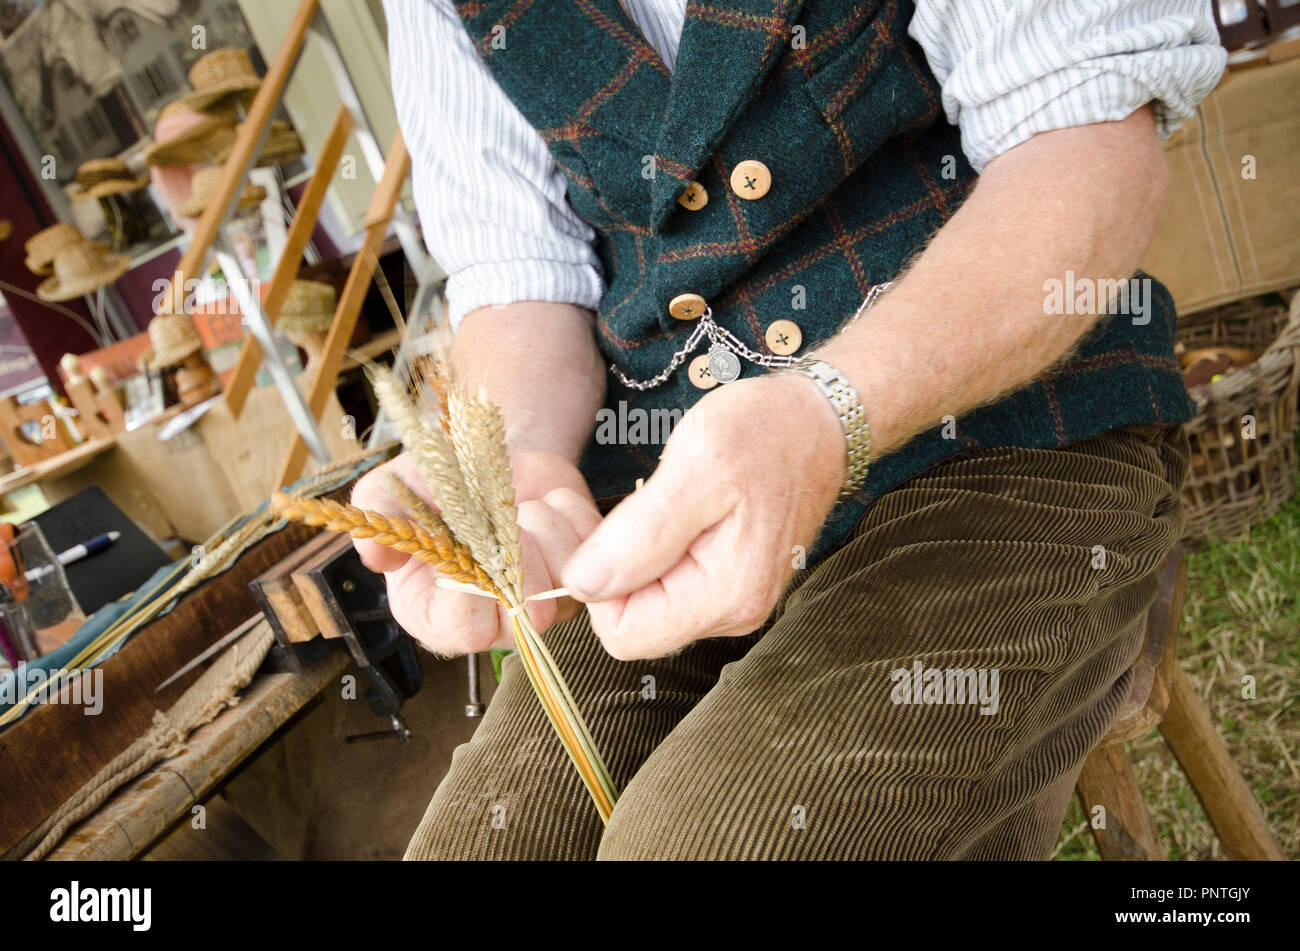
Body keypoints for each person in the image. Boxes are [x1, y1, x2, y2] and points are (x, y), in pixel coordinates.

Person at [355, 0, 1226, 860]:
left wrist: (822, 416)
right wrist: (518, 457)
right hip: (670, 509)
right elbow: (523, 284)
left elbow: (1081, 148)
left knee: (707, 846)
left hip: (1009, 437)